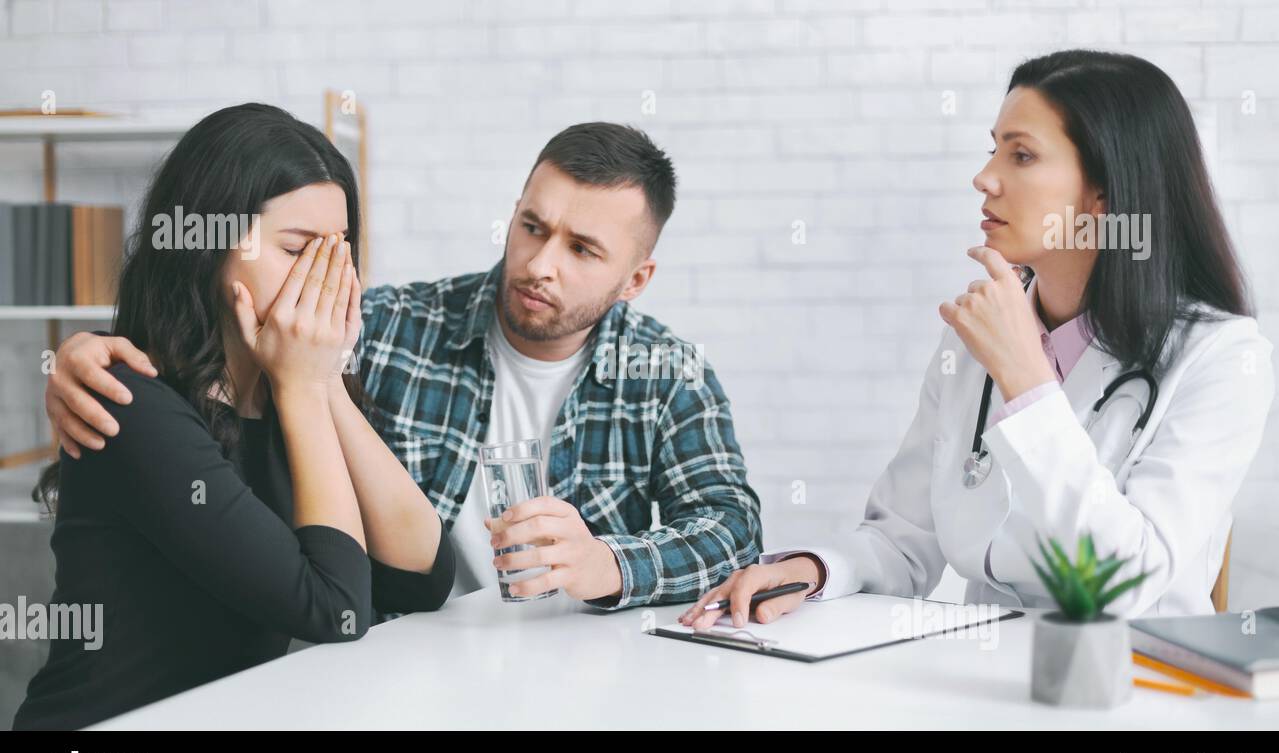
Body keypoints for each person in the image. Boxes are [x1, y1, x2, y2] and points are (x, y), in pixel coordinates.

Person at [43, 122, 761, 612]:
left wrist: (610, 563)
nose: (540, 264)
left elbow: (733, 530)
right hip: (398, 662)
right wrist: (88, 351)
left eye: (582, 250)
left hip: (574, 669)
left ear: (635, 279)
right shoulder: (390, 326)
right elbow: (221, 359)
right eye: (533, 227)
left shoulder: (667, 372)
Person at [683, 49, 1274, 630]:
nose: (984, 177)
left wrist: (1028, 383)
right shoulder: (973, 335)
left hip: (1133, 686)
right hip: (981, 678)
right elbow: (904, 540)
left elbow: (1121, 588)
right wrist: (813, 570)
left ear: (1105, 194)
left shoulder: (1222, 358)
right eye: (993, 149)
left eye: (1021, 155)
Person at [15, 104, 454, 730]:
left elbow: (422, 577)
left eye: (338, 255)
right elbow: (337, 611)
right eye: (298, 250)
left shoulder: (288, 392)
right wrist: (304, 385)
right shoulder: (132, 404)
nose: (323, 280)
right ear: (210, 249)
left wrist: (321, 380)